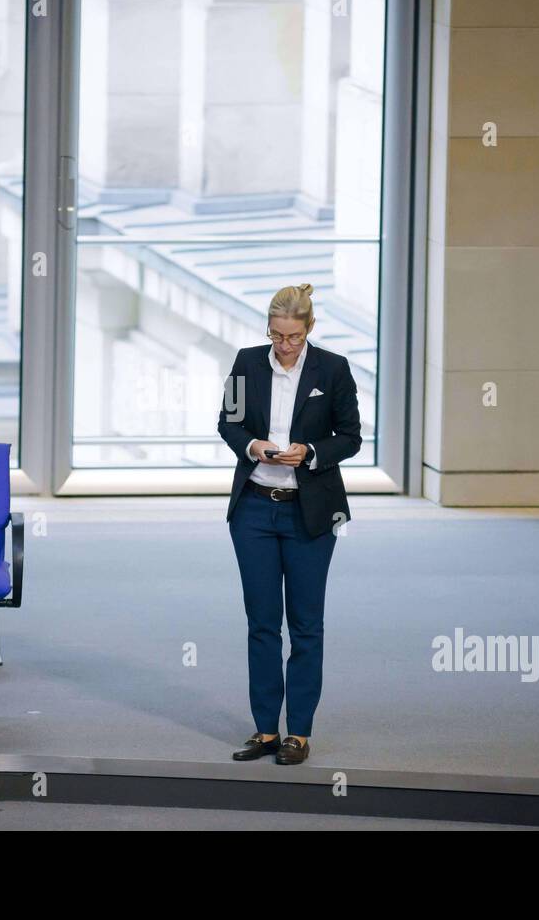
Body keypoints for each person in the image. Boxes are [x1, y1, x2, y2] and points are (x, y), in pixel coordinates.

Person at [216, 283, 361, 765]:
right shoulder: (246, 361)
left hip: (309, 511)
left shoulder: (334, 370)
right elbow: (228, 423)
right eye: (276, 336)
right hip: (255, 509)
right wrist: (253, 446)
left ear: (309, 329)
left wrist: (312, 453)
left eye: (293, 338)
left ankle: (299, 731)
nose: (283, 347)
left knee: (305, 624)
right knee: (261, 623)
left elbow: (351, 436)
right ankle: (264, 730)